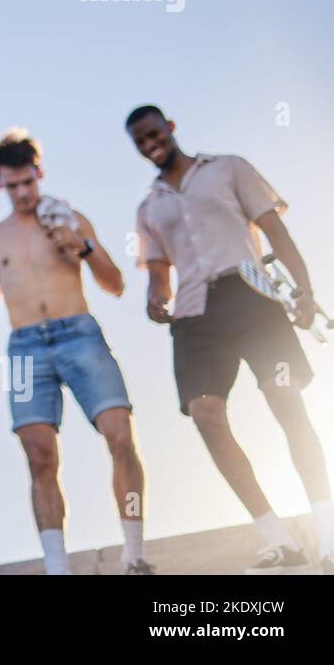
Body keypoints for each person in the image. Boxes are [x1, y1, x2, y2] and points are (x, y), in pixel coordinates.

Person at [0, 129, 153, 574]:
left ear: (39, 174)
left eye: (27, 183)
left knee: (120, 438)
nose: (21, 193)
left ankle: (134, 555)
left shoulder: (70, 218)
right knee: (39, 456)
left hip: (80, 333)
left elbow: (115, 285)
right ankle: (58, 566)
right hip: (25, 347)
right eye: (11, 185)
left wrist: (84, 248)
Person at [127, 105, 330, 574]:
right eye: (140, 141)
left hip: (251, 296)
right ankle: (278, 542)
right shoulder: (149, 208)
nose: (150, 143)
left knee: (288, 407)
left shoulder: (228, 168)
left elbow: (276, 229)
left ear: (170, 128)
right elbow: (159, 274)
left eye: (154, 132)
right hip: (196, 316)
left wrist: (304, 291)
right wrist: (156, 300)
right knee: (205, 415)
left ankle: (328, 533)